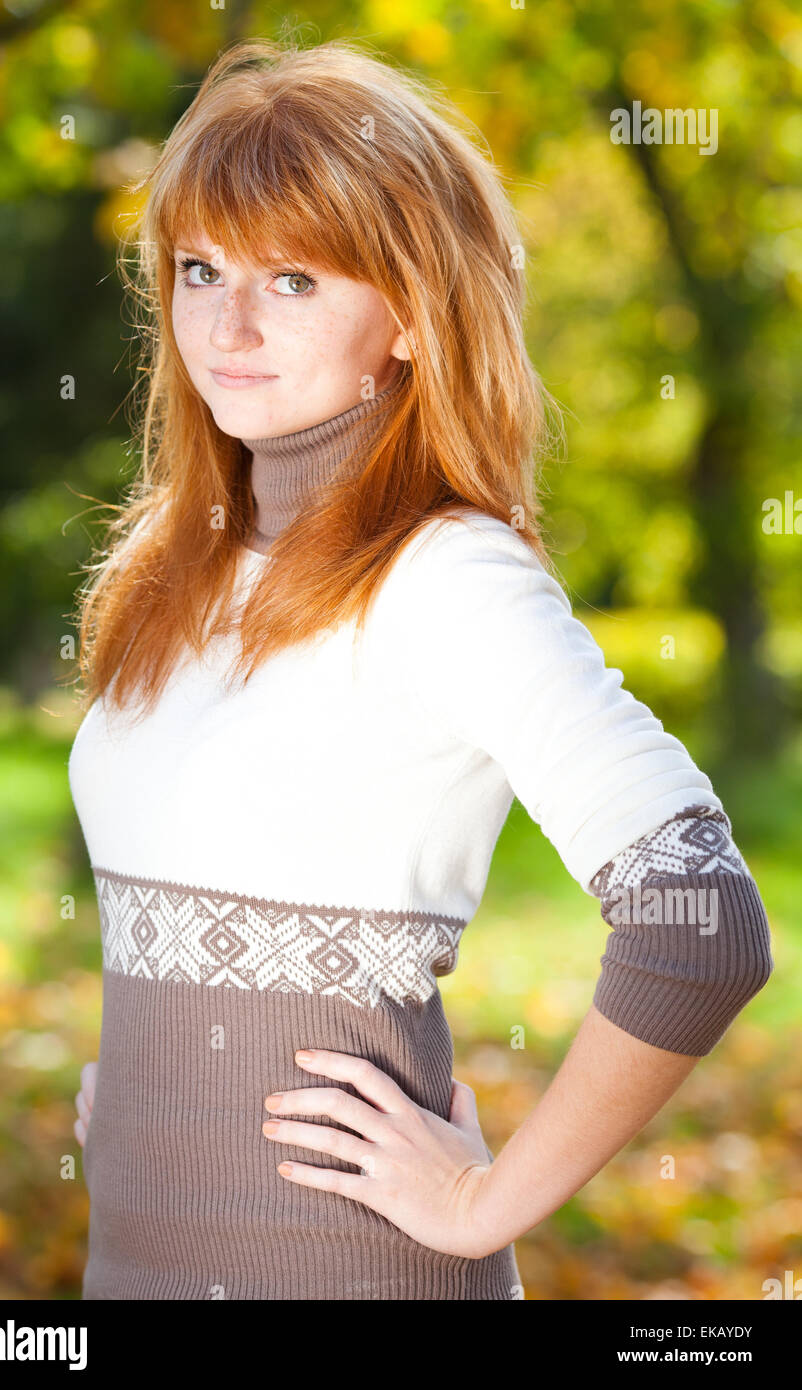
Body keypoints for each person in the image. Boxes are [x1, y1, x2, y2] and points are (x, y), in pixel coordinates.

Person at [69, 36, 773, 1301]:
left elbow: (698, 922)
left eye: (292, 279)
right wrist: (146, 1091)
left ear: (406, 311)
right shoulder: (174, 571)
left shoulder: (444, 576)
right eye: (198, 269)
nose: (227, 324)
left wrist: (477, 1201)